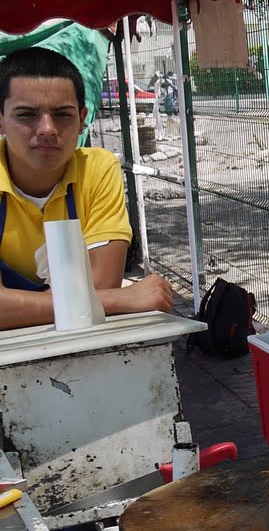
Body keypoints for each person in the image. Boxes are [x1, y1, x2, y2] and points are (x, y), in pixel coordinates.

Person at [0, 47, 175, 328]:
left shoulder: (97, 170)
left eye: (62, 114)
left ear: (82, 119)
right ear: (1, 120)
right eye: (27, 115)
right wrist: (118, 300)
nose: (47, 128)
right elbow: (102, 296)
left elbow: (104, 281)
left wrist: (15, 306)